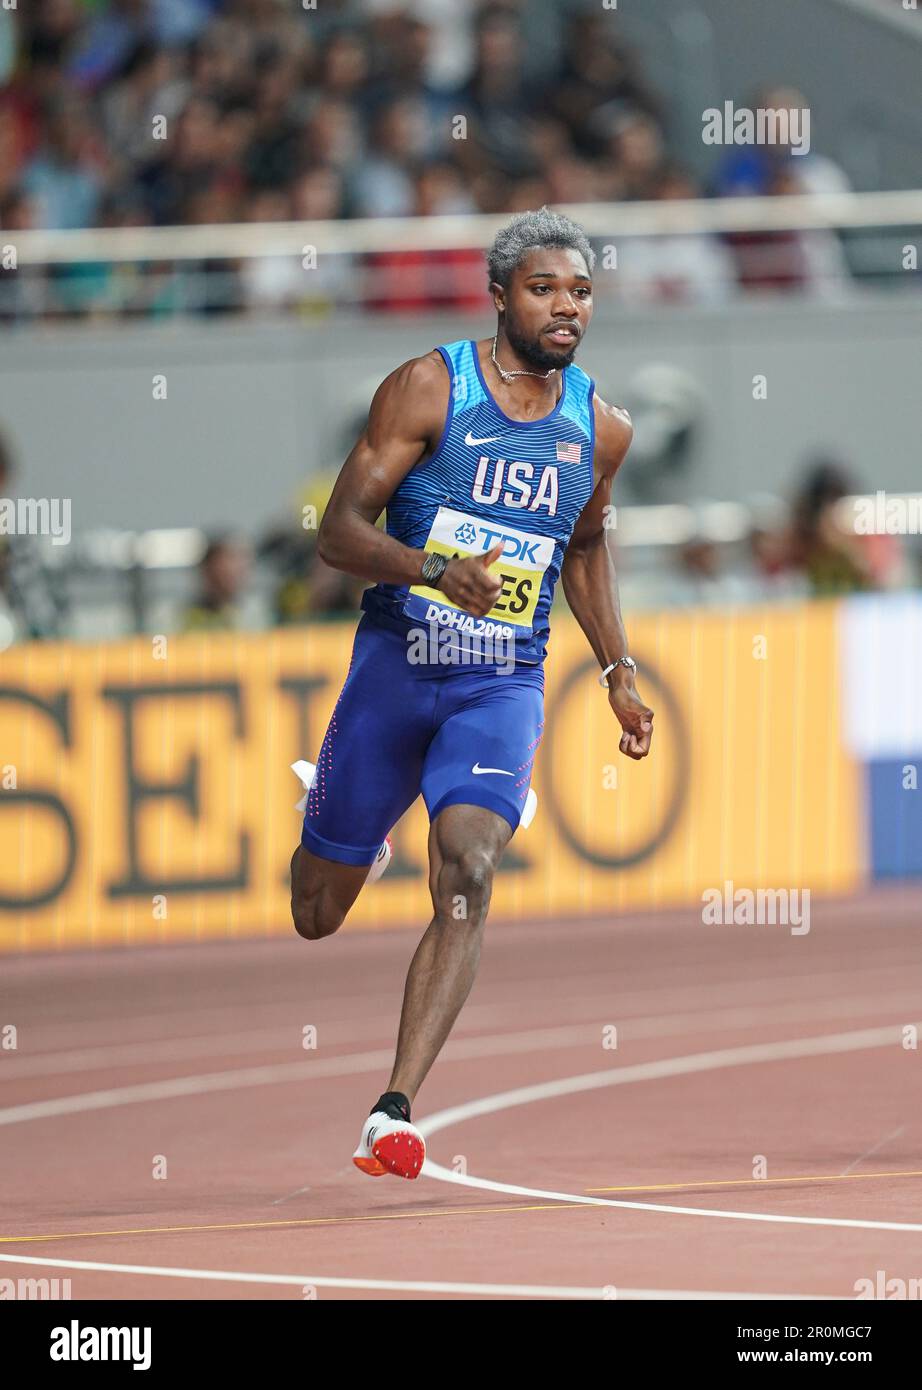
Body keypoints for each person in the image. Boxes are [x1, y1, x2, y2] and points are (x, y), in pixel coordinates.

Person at [289, 207, 654, 1180]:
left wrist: (619, 670)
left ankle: (395, 1108)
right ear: (500, 294)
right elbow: (334, 532)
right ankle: (336, 807)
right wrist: (432, 569)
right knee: (316, 911)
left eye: (579, 290)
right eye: (544, 288)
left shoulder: (600, 428)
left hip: (500, 682)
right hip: (395, 671)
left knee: (469, 865)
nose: (565, 306)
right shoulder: (426, 388)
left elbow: (583, 548)